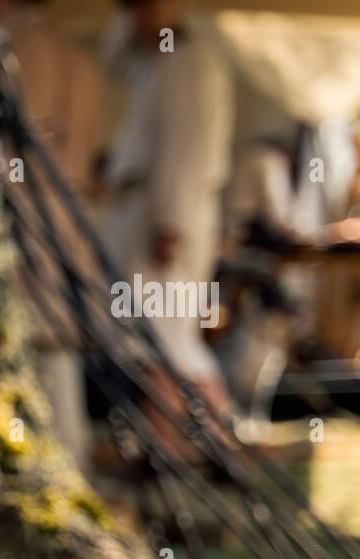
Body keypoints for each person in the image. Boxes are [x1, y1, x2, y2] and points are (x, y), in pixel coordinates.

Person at [0, 0, 105, 467]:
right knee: (57, 356)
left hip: (18, 219)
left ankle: (38, 464)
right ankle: (66, 461)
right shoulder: (81, 61)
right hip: (67, 218)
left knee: (21, 351)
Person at [103, 0, 234, 423]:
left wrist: (170, 224)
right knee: (152, 334)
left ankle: (198, 438)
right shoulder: (156, 63)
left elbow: (186, 153)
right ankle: (173, 441)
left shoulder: (190, 62)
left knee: (166, 335)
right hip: (149, 212)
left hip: (167, 220)